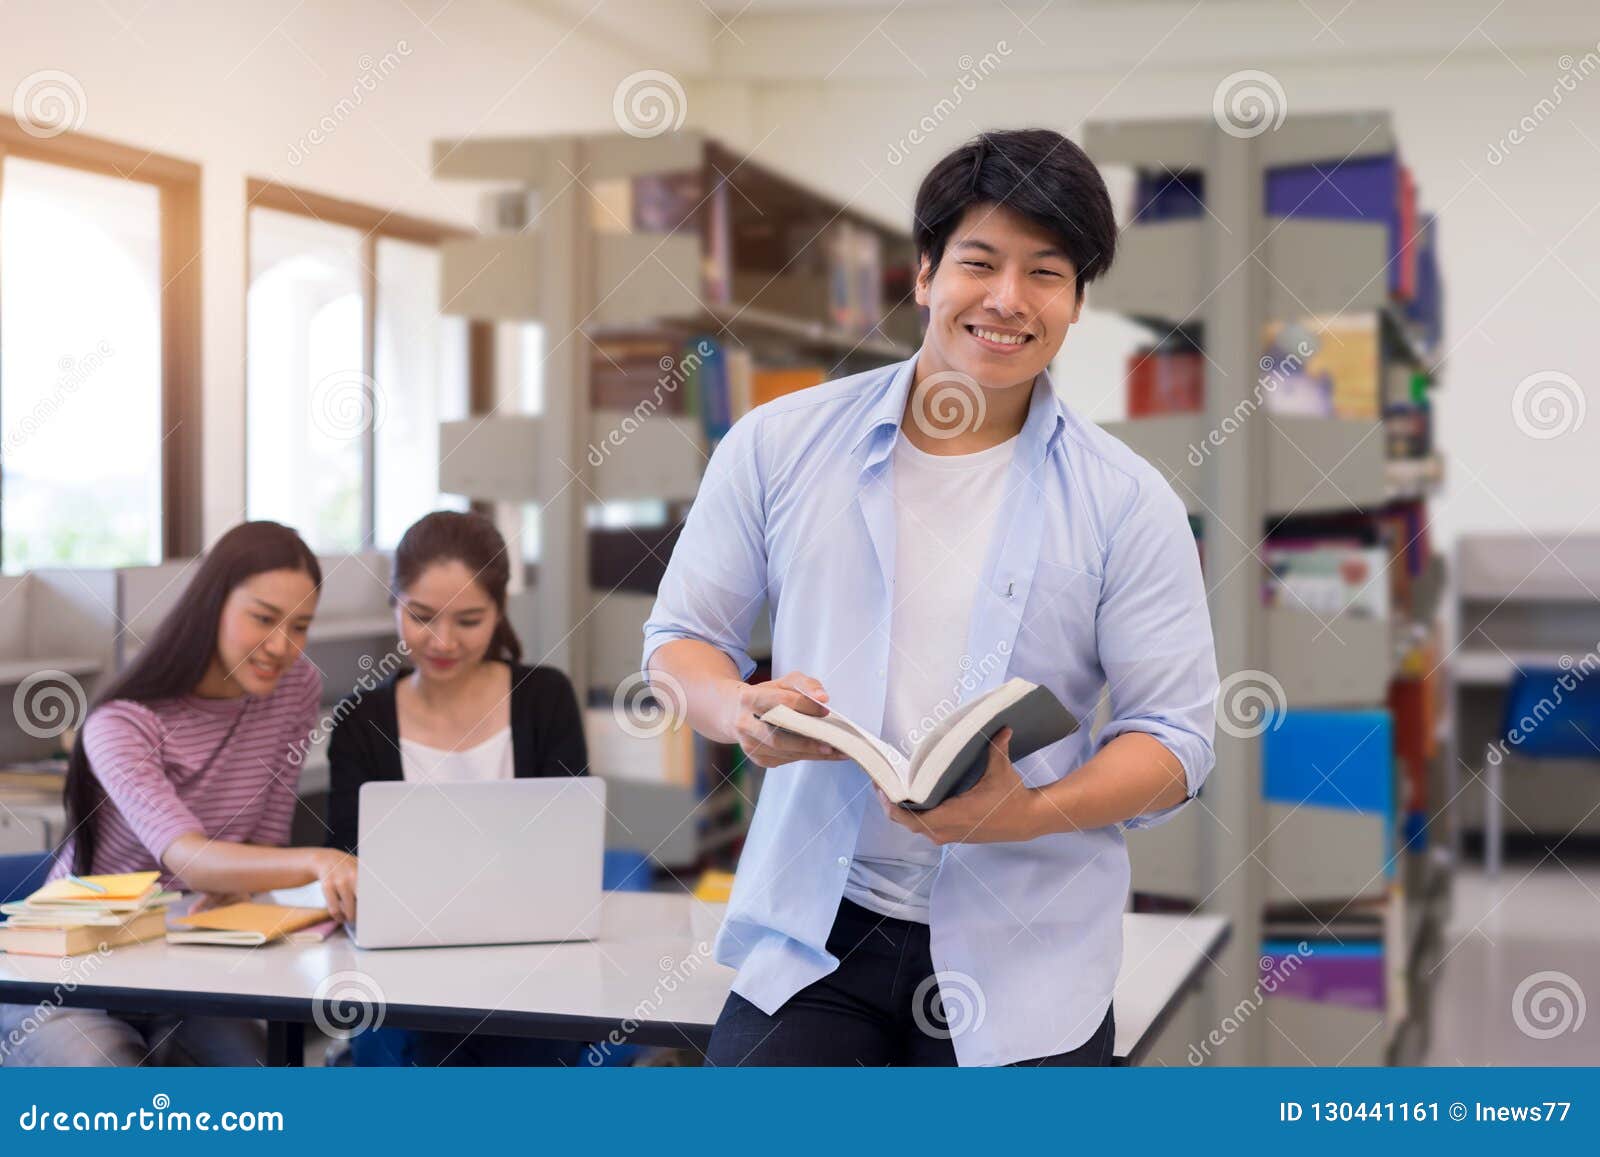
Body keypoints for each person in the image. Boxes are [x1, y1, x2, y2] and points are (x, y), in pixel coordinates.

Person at [643, 129, 1219, 1066]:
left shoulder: (1129, 500)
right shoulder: (778, 444)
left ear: (1076, 302)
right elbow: (679, 639)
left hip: (1027, 948)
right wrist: (740, 708)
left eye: (1046, 272)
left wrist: (1024, 812)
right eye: (979, 262)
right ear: (923, 274)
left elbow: (1177, 740)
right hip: (814, 929)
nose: (1007, 299)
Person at [0, 521, 351, 1067]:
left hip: (188, 964)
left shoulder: (294, 689)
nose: (281, 646)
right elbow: (191, 859)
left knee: (259, 1091)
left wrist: (244, 895)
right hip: (71, 971)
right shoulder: (122, 723)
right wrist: (318, 861)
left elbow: (261, 847)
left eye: (300, 625)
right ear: (212, 604)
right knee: (111, 1091)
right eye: (262, 618)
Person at [327, 510, 588, 1067]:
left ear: (500, 613)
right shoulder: (361, 721)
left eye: (468, 620)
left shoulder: (545, 698)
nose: (443, 641)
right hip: (401, 976)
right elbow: (349, 861)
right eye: (421, 617)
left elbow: (567, 848)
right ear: (394, 605)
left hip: (531, 966)